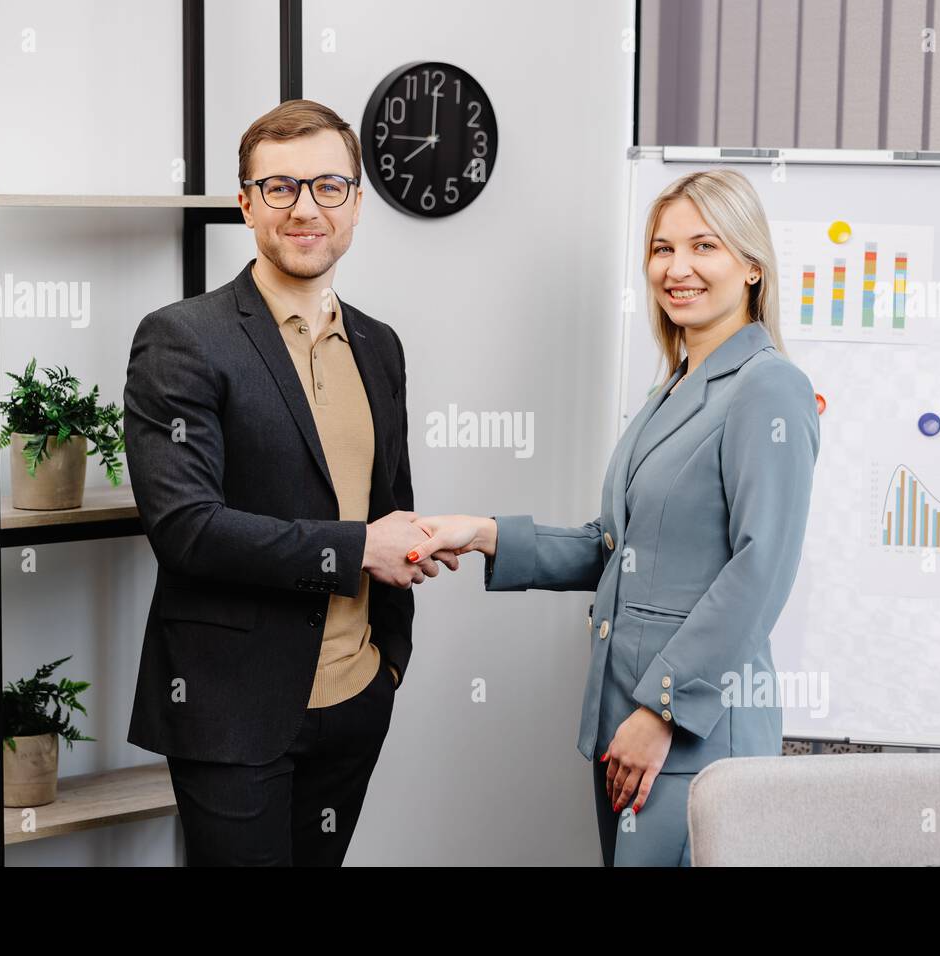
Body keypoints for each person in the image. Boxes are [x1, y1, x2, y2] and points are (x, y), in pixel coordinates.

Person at [409, 169, 820, 867]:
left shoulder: (768, 387)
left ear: (752, 267)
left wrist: (662, 710)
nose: (678, 268)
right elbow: (617, 551)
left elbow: (760, 572)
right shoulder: (673, 390)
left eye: (704, 247)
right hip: (625, 723)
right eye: (662, 249)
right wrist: (483, 534)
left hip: (693, 735)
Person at [123, 99, 454, 866]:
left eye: (328, 187)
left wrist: (389, 662)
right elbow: (185, 529)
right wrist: (358, 549)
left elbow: (390, 501)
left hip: (355, 699)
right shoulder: (182, 338)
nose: (306, 208)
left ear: (357, 205)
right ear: (247, 203)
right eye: (280, 188)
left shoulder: (379, 344)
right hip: (233, 710)